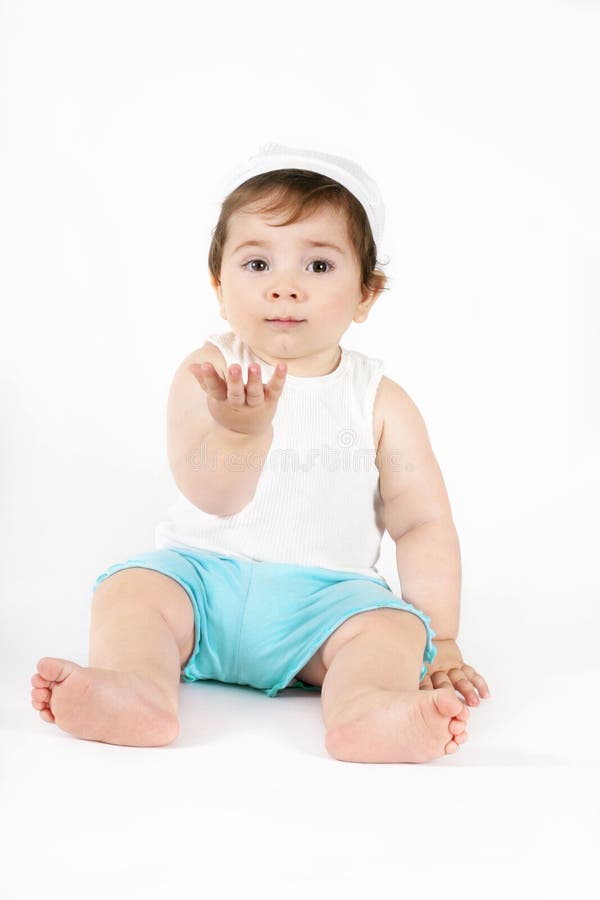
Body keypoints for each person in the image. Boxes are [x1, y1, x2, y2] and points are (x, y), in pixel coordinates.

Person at [30, 143, 490, 763]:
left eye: (319, 267)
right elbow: (211, 496)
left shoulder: (380, 400)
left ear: (366, 295)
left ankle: (368, 712)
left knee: (390, 629)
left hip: (328, 604)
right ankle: (136, 691)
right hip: (201, 581)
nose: (285, 289)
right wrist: (238, 434)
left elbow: (423, 522)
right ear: (220, 288)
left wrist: (445, 638)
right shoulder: (209, 371)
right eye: (257, 265)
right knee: (133, 590)